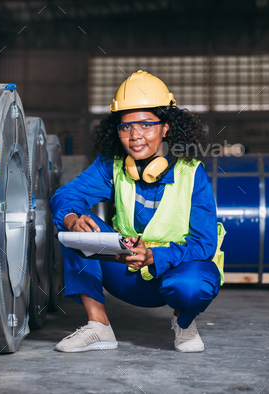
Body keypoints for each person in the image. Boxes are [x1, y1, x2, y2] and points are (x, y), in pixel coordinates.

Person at [49, 70, 226, 353]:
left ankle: (185, 322)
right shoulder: (113, 166)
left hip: (173, 273)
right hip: (126, 271)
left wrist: (155, 255)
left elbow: (204, 244)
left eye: (146, 125)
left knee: (192, 286)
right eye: (125, 127)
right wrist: (71, 218)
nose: (135, 136)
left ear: (166, 127)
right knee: (78, 228)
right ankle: (99, 326)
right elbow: (66, 195)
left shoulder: (192, 174)